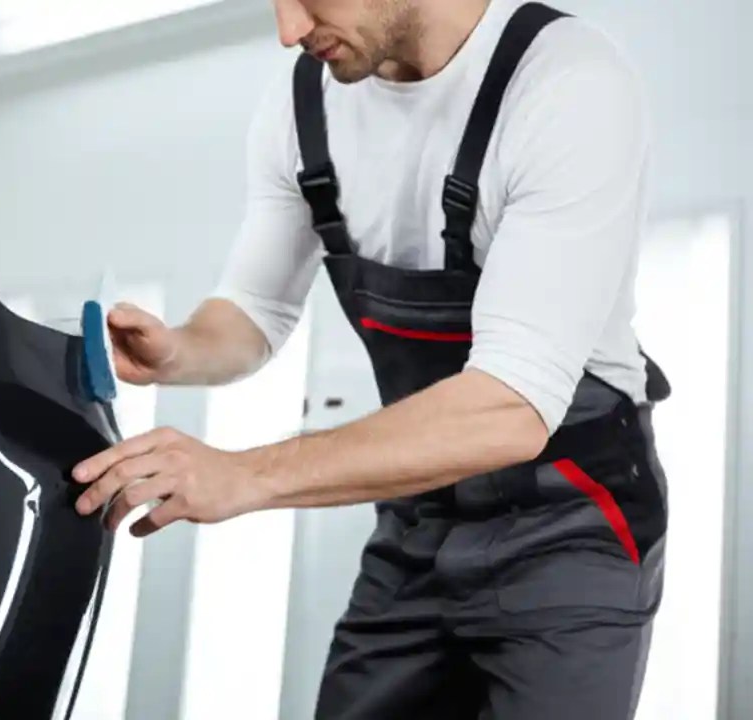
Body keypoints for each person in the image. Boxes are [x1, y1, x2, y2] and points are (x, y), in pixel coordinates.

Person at [72, 0, 670, 717]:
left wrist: (241, 475)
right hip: (419, 520)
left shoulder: (566, 83)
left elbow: (510, 409)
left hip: (571, 523)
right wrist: (179, 351)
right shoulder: (302, 105)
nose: (288, 30)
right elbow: (257, 308)